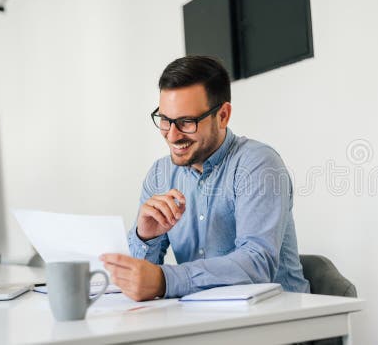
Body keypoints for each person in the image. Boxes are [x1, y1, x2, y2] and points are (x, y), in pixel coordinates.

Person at [100, 56, 310, 301]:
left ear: (222, 116)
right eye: (165, 120)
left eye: (186, 122)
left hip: (280, 321)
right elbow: (138, 284)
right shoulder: (160, 175)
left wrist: (166, 280)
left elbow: (257, 264)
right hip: (203, 318)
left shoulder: (258, 164)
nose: (172, 135)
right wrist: (146, 236)